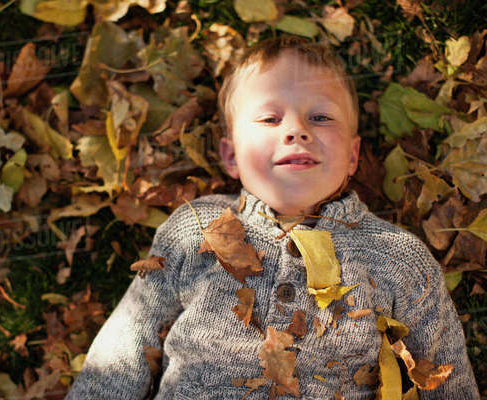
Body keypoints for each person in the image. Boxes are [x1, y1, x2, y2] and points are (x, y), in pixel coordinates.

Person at [65, 36, 480, 399]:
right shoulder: (193, 230)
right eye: (269, 118)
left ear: (353, 156)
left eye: (320, 117)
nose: (296, 129)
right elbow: (122, 352)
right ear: (231, 156)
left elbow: (447, 380)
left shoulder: (398, 257)